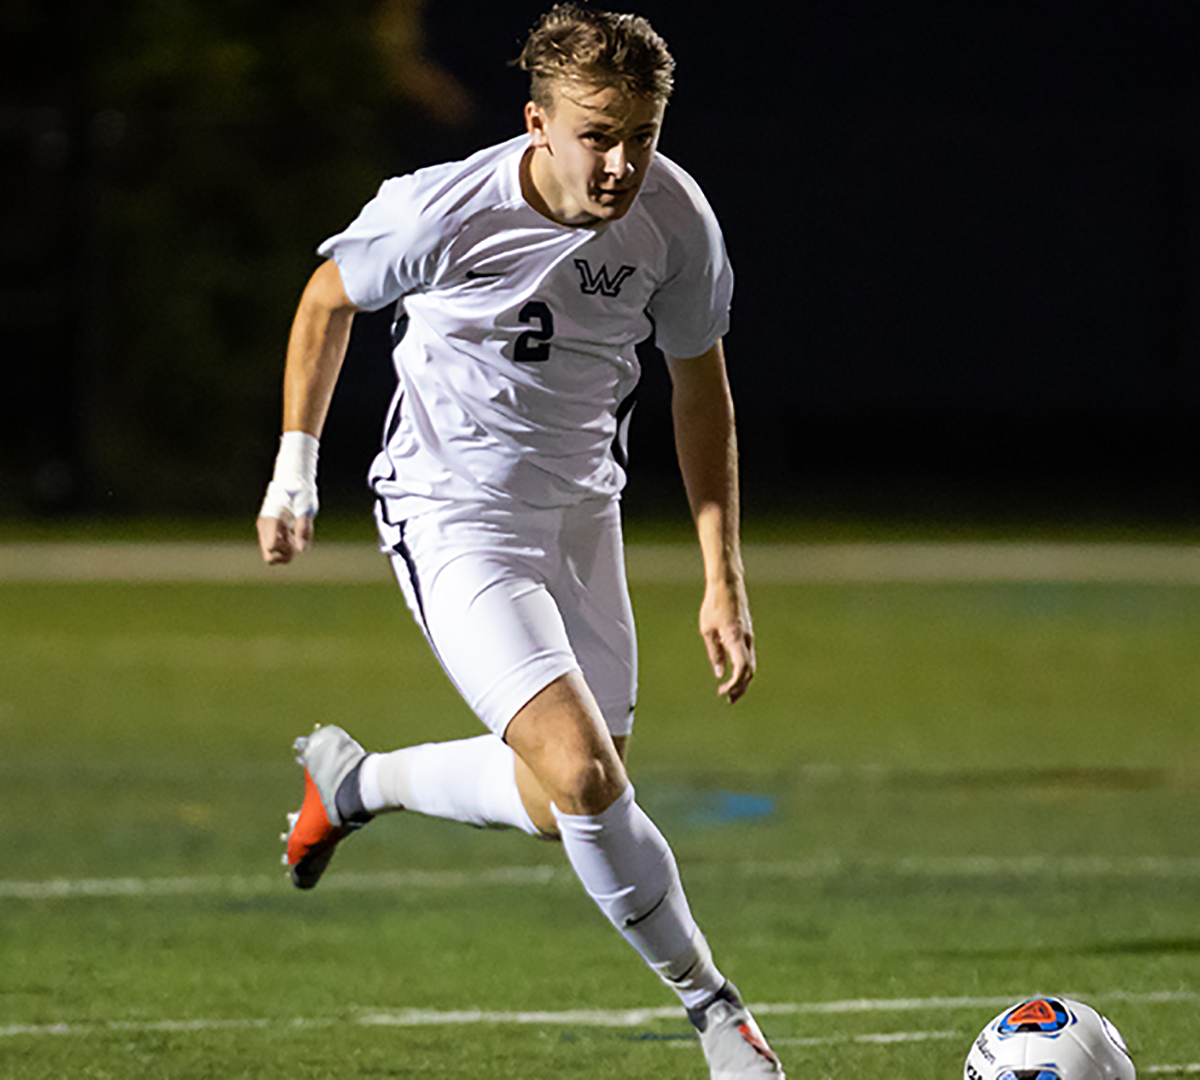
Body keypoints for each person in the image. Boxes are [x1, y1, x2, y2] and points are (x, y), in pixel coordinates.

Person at [254, 5, 786, 1075]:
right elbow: (324, 302)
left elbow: (702, 391)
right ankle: (720, 1016)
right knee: (588, 777)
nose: (624, 160)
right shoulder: (445, 209)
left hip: (583, 515)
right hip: (452, 518)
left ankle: (356, 786)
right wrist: (294, 471)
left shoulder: (677, 220)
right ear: (538, 122)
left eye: (643, 133)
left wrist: (722, 576)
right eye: (599, 133)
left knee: (559, 802)